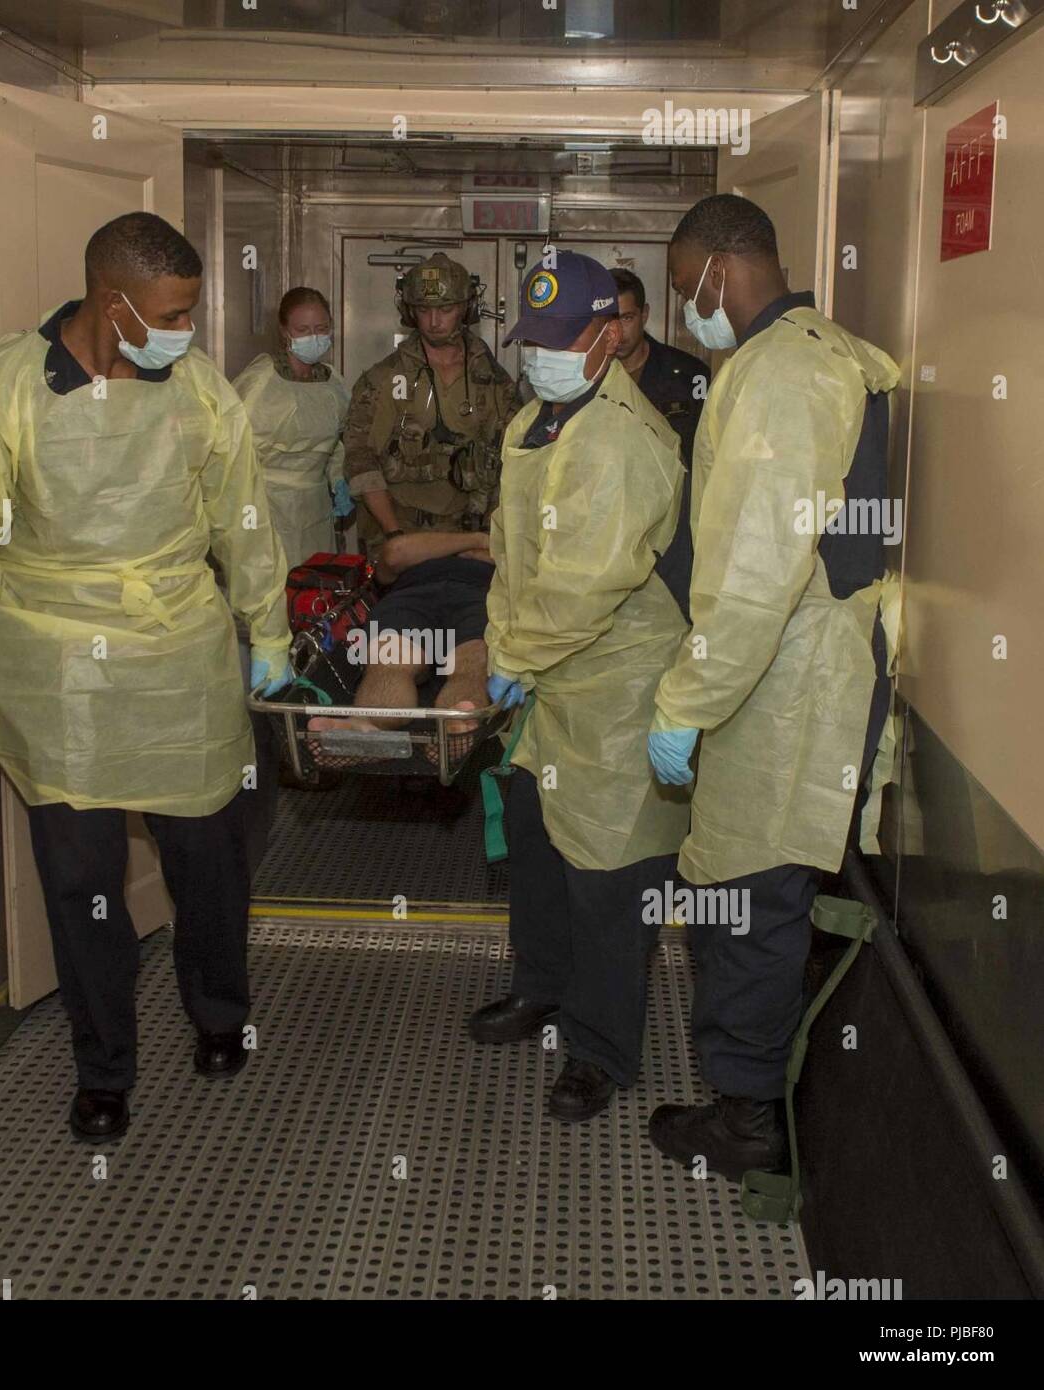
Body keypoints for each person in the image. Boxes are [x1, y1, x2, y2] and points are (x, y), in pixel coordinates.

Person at [0, 212, 292, 1141]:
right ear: (110, 302)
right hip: (57, 673)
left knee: (208, 865)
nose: (186, 331)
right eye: (169, 314)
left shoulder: (198, 390)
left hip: (179, 663)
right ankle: (104, 1068)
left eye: (190, 313)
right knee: (82, 885)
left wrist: (269, 627)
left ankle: (218, 1016)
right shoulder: (2, 388)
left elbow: (241, 516)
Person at [646, 194, 899, 1179]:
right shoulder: (811, 350)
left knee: (746, 897)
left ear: (718, 268)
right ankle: (755, 1093)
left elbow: (755, 567)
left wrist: (684, 703)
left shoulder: (779, 375)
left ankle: (748, 1121)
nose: (683, 314)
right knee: (758, 888)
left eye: (682, 292)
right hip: (797, 663)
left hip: (784, 675)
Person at [467, 251, 691, 1121]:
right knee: (536, 854)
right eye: (533, 340)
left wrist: (512, 659)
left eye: (564, 341)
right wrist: (500, 644)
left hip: (610, 686)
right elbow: (509, 548)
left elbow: (587, 582)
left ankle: (598, 1049)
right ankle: (540, 990)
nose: (542, 356)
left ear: (609, 336)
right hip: (541, 680)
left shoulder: (627, 441)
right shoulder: (536, 419)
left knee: (607, 877)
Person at [307, 253, 519, 747]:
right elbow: (360, 459)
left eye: (445, 309)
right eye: (424, 309)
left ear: (465, 308)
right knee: (391, 654)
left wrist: (498, 540)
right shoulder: (382, 382)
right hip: (408, 561)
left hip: (480, 561)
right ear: (410, 311)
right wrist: (397, 537)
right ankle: (365, 727)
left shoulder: (497, 385)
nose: (434, 319)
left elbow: (520, 467)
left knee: (472, 657)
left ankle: (459, 721)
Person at [607, 266, 711, 617]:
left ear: (645, 315)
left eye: (627, 317)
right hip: (608, 528)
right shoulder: (584, 378)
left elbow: (706, 460)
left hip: (674, 534)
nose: (618, 332)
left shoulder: (689, 375)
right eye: (609, 320)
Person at [231, 287, 352, 571]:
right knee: (271, 588)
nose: (314, 336)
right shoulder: (260, 382)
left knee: (315, 589)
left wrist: (338, 481)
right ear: (285, 331)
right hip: (267, 506)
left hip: (317, 508)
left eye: (321, 328)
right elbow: (230, 447)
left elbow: (337, 443)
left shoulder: (332, 382)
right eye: (303, 329)